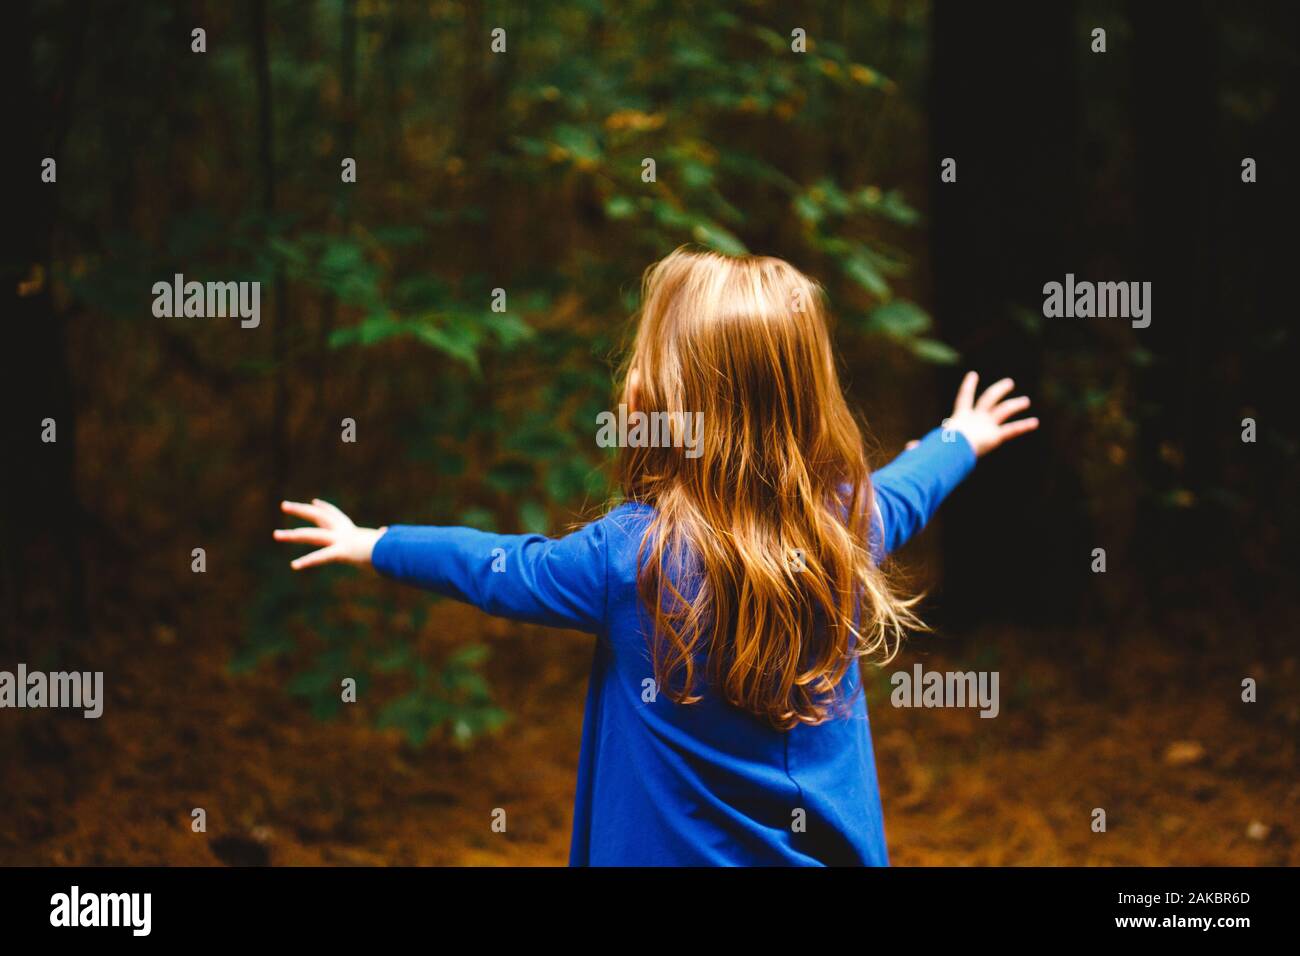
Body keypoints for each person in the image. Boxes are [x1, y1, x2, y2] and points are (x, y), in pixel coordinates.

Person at [274, 247, 1038, 865]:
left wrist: (375, 543)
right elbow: (901, 491)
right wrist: (959, 439)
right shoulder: (842, 528)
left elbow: (498, 567)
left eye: (648, 364)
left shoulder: (629, 558)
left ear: (664, 407)